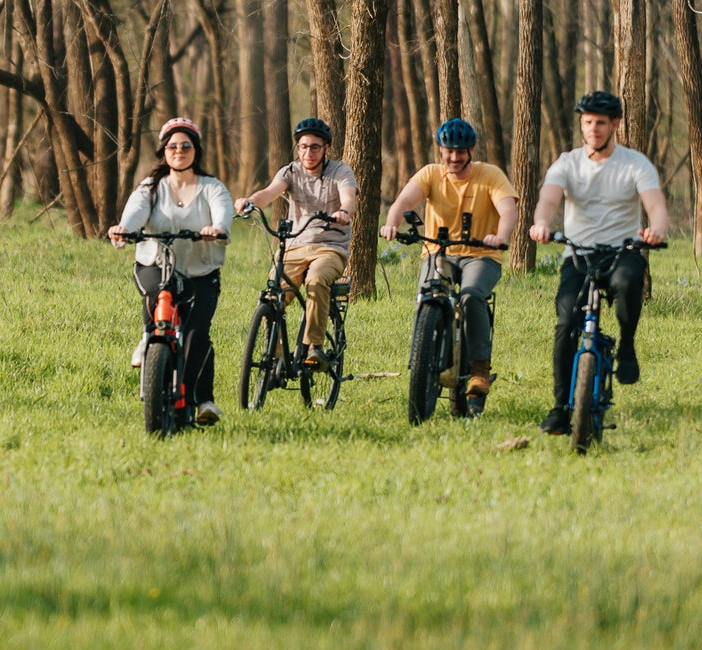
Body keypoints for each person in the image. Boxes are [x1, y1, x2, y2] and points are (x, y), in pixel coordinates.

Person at [527, 90, 670, 436]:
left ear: (615, 125)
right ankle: (561, 407)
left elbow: (656, 207)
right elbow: (549, 199)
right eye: (588, 122)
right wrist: (542, 224)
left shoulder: (635, 164)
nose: (593, 129)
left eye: (601, 123)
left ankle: (628, 345)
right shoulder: (567, 163)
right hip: (578, 253)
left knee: (627, 284)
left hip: (622, 251)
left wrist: (655, 231)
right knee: (565, 324)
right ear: (582, 124)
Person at [381, 118, 520, 414]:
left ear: (471, 150)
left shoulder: (489, 175)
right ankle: (423, 358)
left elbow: (508, 208)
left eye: (460, 152)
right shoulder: (431, 174)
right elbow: (403, 201)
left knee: (471, 296)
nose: (454, 158)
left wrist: (501, 236)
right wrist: (392, 222)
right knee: (427, 297)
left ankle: (480, 370)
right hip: (438, 252)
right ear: (441, 150)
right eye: (449, 151)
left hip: (480, 255)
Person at [109, 117, 234, 427]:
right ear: (164, 151)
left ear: (196, 150)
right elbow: (135, 212)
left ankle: (202, 400)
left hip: (200, 271)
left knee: (196, 334)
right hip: (156, 263)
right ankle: (148, 336)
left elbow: (223, 213)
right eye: (173, 146)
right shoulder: (151, 187)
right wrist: (125, 229)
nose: (179, 151)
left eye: (186, 145)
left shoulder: (212, 187)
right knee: (156, 292)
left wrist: (217, 228)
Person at [233, 117, 358, 370]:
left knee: (315, 280)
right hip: (295, 246)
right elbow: (269, 192)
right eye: (302, 147)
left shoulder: (340, 171)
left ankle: (314, 347)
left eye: (314, 147)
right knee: (274, 294)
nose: (307, 153)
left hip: (330, 248)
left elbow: (349, 198)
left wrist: (344, 211)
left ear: (326, 148)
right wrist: (251, 201)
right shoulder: (290, 171)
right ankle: (276, 356)